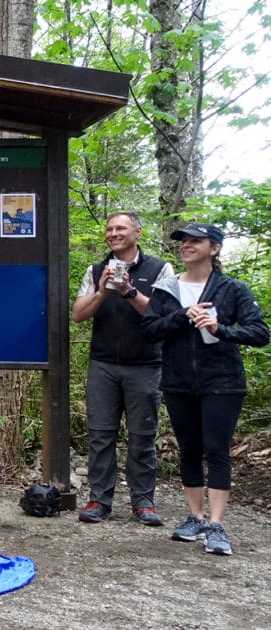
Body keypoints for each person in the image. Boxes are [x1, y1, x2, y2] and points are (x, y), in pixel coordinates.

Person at [141, 223, 268, 555]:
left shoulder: (232, 289)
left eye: (195, 241)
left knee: (217, 450)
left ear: (214, 248)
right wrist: (183, 316)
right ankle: (194, 517)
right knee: (190, 450)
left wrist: (220, 329)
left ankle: (216, 524)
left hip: (222, 382)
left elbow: (259, 332)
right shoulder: (166, 289)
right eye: (183, 242)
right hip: (178, 381)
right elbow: (150, 330)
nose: (186, 246)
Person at [71, 212, 173, 525]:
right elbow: (78, 314)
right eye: (110, 228)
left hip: (144, 364)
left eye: (120, 228)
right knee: (101, 435)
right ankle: (99, 500)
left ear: (137, 233)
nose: (113, 233)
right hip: (103, 363)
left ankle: (143, 502)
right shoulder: (97, 269)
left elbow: (162, 315)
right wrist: (103, 290)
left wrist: (129, 290)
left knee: (142, 435)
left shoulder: (159, 268)